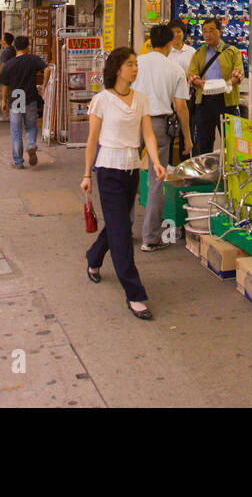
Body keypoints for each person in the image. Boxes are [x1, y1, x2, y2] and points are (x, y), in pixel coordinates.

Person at [81, 47, 166, 320]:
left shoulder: (141, 99)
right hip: (107, 170)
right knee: (121, 231)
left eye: (136, 65)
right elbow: (92, 140)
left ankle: (94, 257)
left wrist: (154, 161)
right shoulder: (102, 100)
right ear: (117, 68)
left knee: (120, 224)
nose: (135, 69)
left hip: (131, 171)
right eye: (130, 64)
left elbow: (149, 135)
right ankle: (135, 293)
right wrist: (86, 175)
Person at [133, 24, 193, 251]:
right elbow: (180, 106)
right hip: (158, 124)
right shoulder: (174, 69)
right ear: (170, 43)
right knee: (156, 181)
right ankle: (151, 237)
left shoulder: (135, 63)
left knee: (127, 176)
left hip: (132, 121)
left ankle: (124, 229)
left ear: (150, 40)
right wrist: (187, 137)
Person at [186, 17, 244, 153]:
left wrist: (228, 83)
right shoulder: (199, 53)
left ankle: (230, 170)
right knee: (204, 141)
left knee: (232, 140)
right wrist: (200, 83)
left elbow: (239, 73)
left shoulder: (232, 51)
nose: (207, 34)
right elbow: (191, 75)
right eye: (204, 31)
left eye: (211, 31)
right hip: (204, 101)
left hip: (227, 100)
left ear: (220, 32)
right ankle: (206, 172)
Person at [0, 36, 50, 168]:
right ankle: (31, 144)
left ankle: (18, 161)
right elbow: (47, 69)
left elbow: (4, 84)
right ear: (28, 46)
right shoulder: (32, 59)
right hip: (30, 96)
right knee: (31, 126)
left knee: (16, 131)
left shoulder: (10, 63)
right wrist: (44, 85)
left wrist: (3, 101)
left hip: (16, 96)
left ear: (15, 47)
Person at [167, 19, 195, 162]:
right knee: (169, 135)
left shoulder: (191, 52)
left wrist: (187, 76)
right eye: (172, 32)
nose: (176, 35)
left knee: (187, 132)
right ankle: (169, 166)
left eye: (179, 31)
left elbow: (196, 74)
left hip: (186, 99)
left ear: (183, 33)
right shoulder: (165, 52)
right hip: (167, 101)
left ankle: (186, 166)